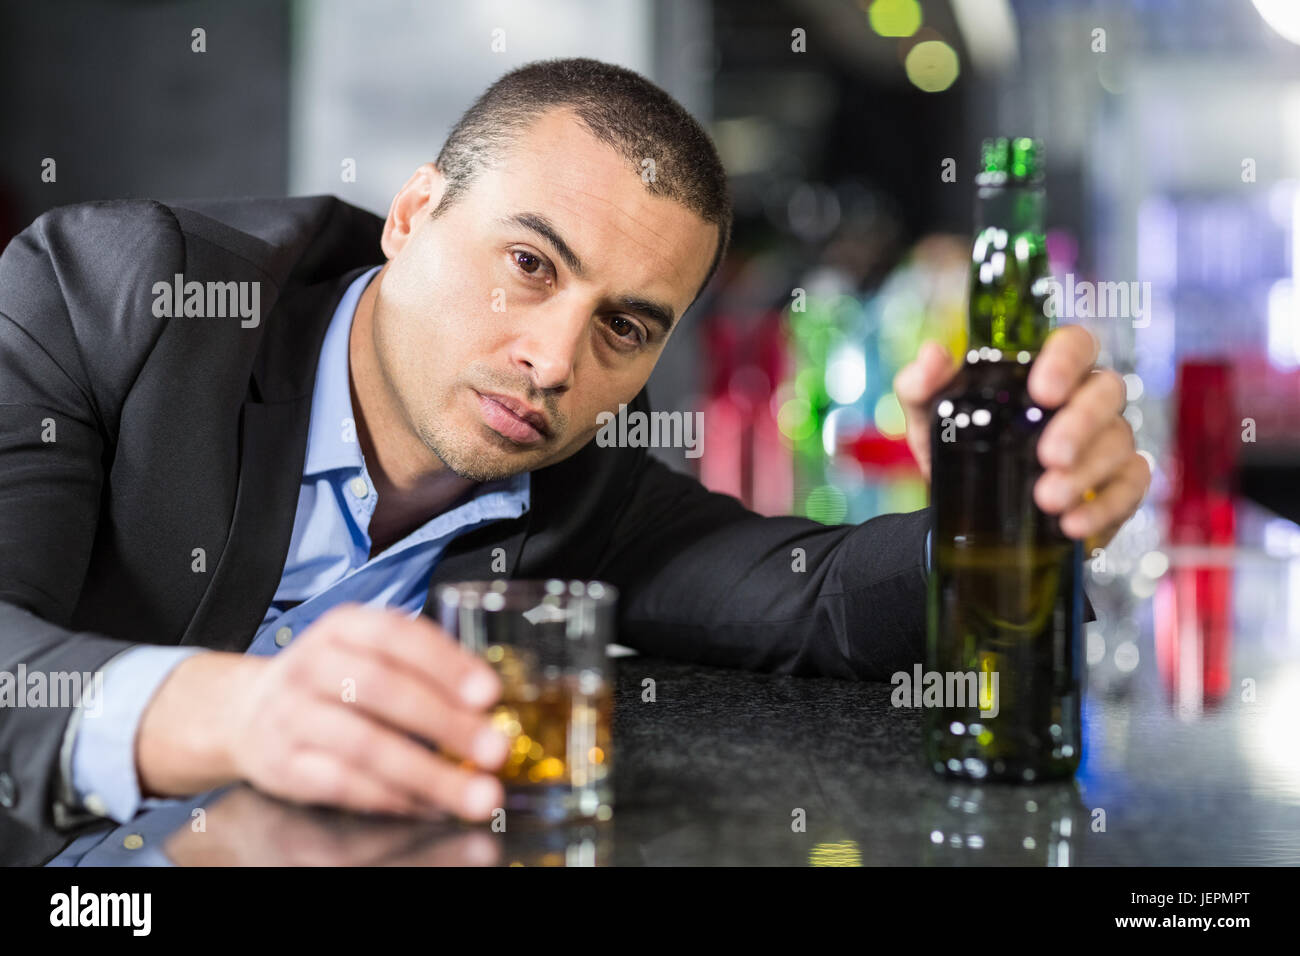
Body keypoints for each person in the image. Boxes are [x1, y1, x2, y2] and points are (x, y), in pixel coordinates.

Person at [0, 57, 1148, 834]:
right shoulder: (121, 295)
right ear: (411, 218)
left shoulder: (583, 495)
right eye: (530, 264)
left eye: (625, 324)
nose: (555, 360)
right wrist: (237, 713)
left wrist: (1012, 500)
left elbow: (827, 599)